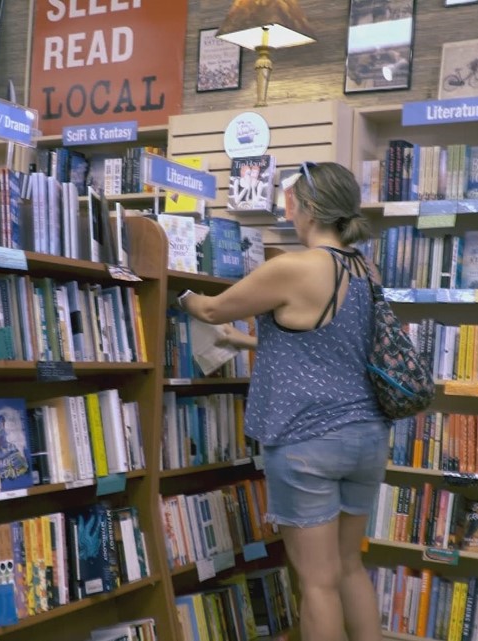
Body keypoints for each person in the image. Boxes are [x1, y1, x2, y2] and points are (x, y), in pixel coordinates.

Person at [178, 161, 385, 641]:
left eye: (291, 200)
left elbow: (211, 307)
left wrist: (182, 295)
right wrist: (247, 343)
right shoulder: (364, 267)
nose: (287, 210)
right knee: (349, 567)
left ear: (310, 208)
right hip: (366, 438)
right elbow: (330, 340)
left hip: (307, 439)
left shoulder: (292, 267)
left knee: (317, 584)